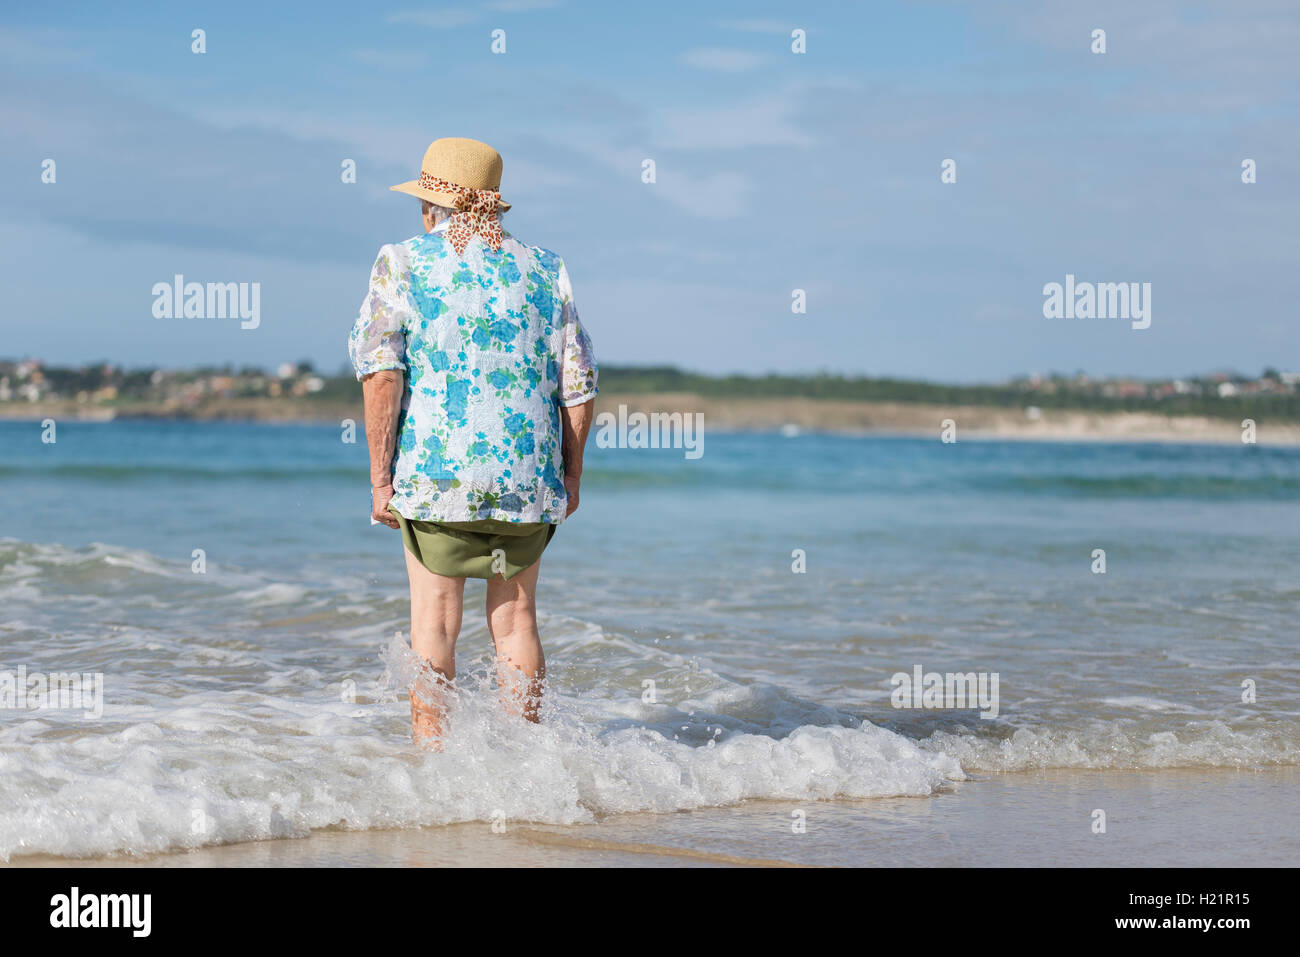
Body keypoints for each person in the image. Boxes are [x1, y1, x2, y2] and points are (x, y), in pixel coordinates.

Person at [348, 137, 598, 745]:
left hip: (438, 475)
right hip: (526, 478)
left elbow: (383, 375)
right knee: (516, 622)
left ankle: (435, 769)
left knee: (434, 622)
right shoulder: (545, 266)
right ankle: (527, 767)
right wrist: (570, 476)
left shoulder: (403, 260)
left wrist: (381, 478)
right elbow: (579, 384)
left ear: (431, 204)